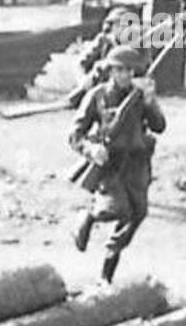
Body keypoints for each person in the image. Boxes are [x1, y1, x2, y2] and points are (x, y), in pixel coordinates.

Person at [69, 44, 165, 284]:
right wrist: (91, 149)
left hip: (137, 163)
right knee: (116, 209)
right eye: (119, 70)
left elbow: (159, 126)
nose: (125, 75)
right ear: (110, 71)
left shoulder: (140, 95)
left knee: (137, 214)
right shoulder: (97, 96)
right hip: (110, 164)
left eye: (129, 71)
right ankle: (88, 217)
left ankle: (106, 274)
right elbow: (75, 134)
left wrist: (151, 102)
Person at [71, 6, 135, 106]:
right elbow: (81, 63)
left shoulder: (135, 45)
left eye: (125, 26)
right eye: (118, 26)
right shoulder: (103, 40)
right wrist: (83, 80)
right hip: (100, 84)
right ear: (112, 27)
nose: (122, 29)